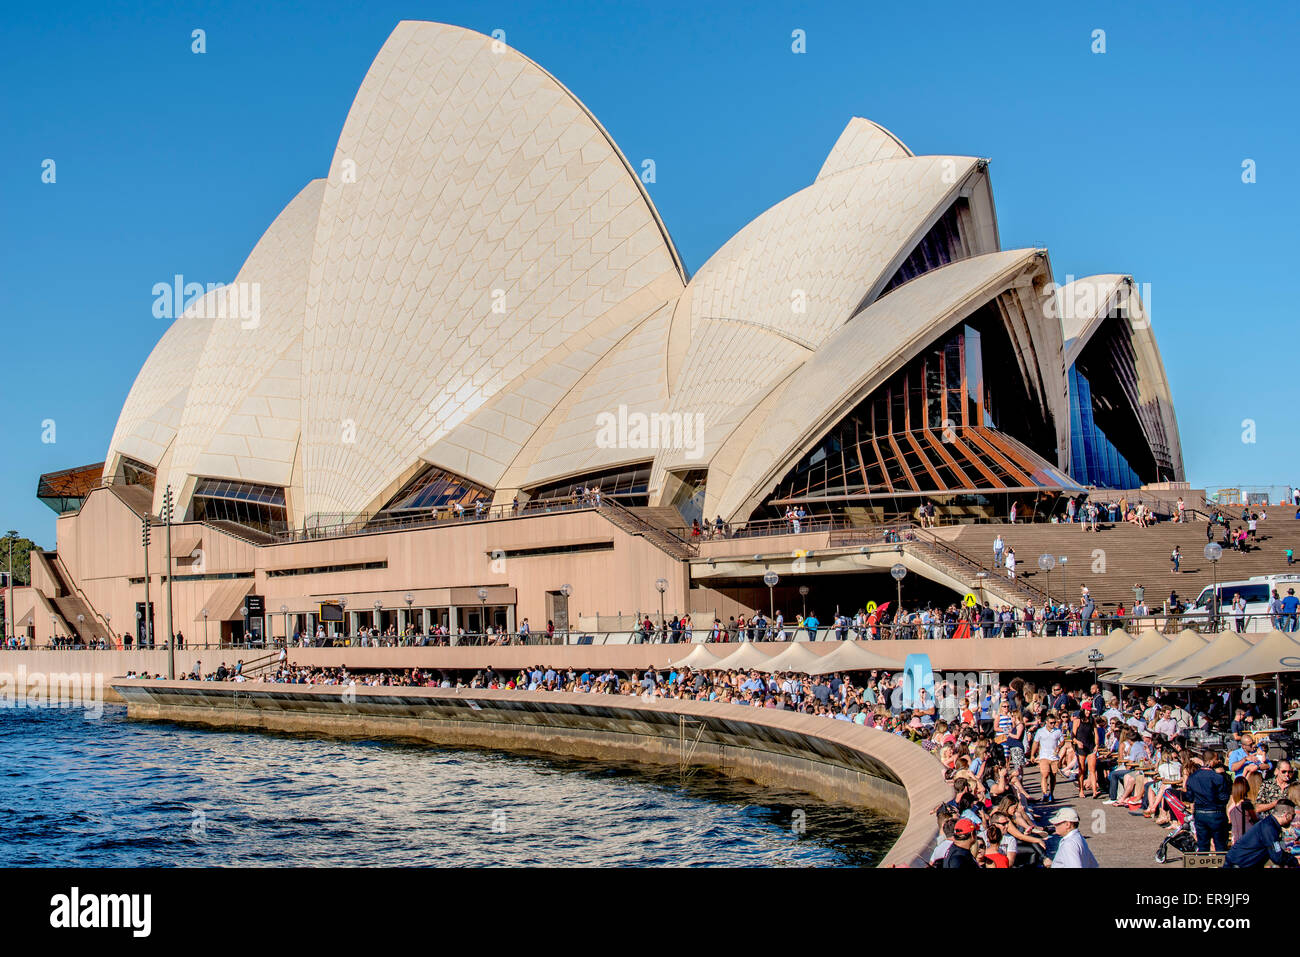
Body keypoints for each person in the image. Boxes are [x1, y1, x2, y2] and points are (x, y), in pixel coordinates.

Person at [1222, 800, 1298, 868]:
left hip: (1241, 862)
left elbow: (1276, 852)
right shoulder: (1269, 828)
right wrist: (1296, 861)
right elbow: (1277, 857)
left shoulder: (1270, 824)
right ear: (1286, 815)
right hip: (1238, 863)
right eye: (1293, 815)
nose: (1293, 818)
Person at [1185, 749, 1233, 852]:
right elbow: (1224, 798)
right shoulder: (1218, 778)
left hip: (1200, 814)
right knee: (1220, 846)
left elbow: (1189, 797)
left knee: (1203, 846)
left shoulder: (1192, 777)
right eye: (1216, 759)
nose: (1218, 761)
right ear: (1211, 761)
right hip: (1216, 814)